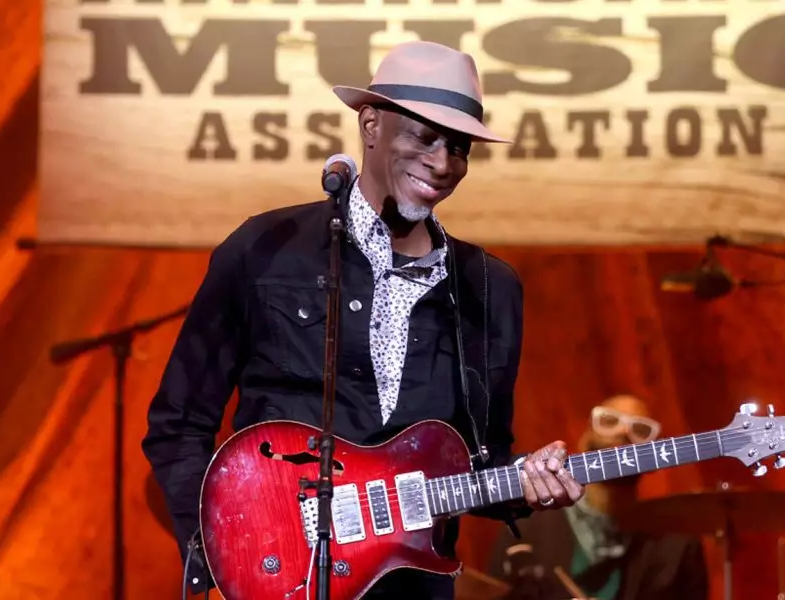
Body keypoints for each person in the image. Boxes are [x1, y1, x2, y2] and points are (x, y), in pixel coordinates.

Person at [141, 40, 584, 599]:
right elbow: (179, 423)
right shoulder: (266, 249)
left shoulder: (491, 288)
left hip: (413, 587)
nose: (443, 163)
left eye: (460, 147)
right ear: (370, 126)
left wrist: (525, 483)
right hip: (278, 581)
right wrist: (222, 551)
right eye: (423, 137)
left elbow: (480, 459)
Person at [487, 395, 709, 600]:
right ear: (585, 440)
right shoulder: (527, 528)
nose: (623, 432)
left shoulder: (677, 547)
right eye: (609, 420)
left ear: (655, 457)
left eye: (641, 429)